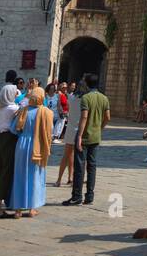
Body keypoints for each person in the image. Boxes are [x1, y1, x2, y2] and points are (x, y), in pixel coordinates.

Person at [63, 72, 110, 207]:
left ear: (87, 84)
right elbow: (108, 116)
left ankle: (76, 196)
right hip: (96, 135)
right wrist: (100, 128)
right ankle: (89, 196)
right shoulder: (104, 98)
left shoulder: (86, 98)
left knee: (79, 166)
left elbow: (84, 117)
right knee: (92, 166)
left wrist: (79, 136)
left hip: (84, 136)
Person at [9, 86, 53, 216]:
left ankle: (17, 210)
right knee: (34, 176)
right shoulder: (47, 112)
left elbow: (13, 129)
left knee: (19, 175)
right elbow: (50, 131)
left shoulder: (23, 111)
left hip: (22, 144)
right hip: (37, 145)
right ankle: (32, 208)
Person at [0, 74, 21, 218]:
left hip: (0, 138)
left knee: (0, 171)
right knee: (5, 173)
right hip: (9, 139)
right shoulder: (13, 108)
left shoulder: (0, 107)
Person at [55, 83, 83, 188]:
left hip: (71, 129)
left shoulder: (71, 97)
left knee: (66, 156)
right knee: (78, 157)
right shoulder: (85, 99)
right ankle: (73, 179)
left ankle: (59, 180)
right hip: (80, 129)